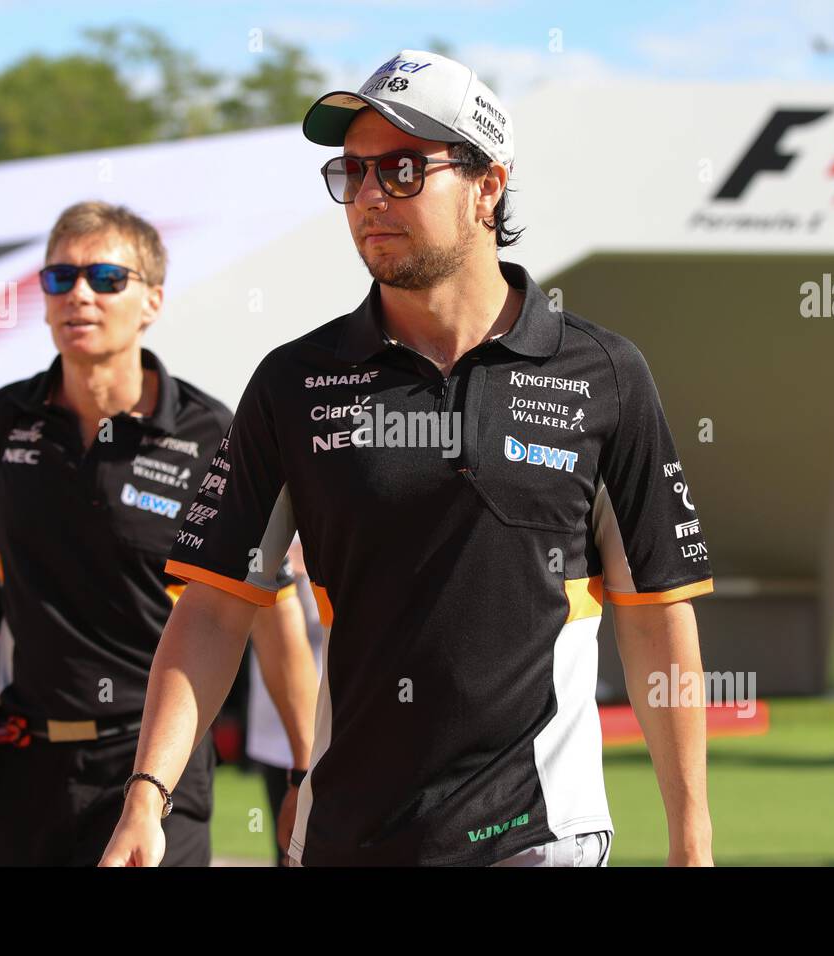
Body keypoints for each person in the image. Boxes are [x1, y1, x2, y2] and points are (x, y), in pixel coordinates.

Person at [103, 50, 716, 868]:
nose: (367, 197)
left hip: (537, 838)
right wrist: (148, 795)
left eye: (399, 169)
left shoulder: (603, 374)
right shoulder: (295, 382)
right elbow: (214, 608)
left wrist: (693, 838)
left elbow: (656, 612)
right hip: (344, 838)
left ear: (487, 185)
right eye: (351, 172)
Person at [0, 201, 316, 866]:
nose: (80, 296)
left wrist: (304, 769)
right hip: (22, 766)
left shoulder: (212, 434)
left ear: (152, 301)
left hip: (158, 767)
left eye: (105, 278)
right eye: (60, 279)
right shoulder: (8, 419)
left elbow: (272, 616)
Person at [244, 538, 324, 866]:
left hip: (333, 722)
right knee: (288, 846)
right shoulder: (273, 520)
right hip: (275, 727)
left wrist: (311, 570)